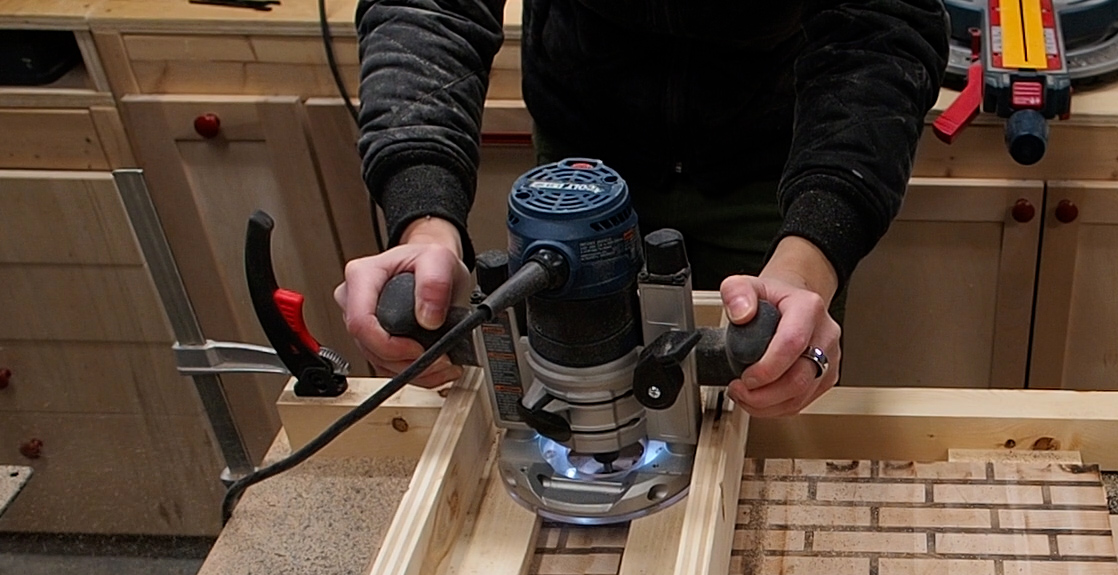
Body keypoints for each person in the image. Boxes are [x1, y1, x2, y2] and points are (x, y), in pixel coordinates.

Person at [335, 1, 949, 418]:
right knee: (560, 394)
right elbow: (430, 7)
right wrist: (425, 219)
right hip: (581, 171)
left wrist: (813, 249)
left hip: (775, 165)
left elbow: (878, 26)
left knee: (771, 374)